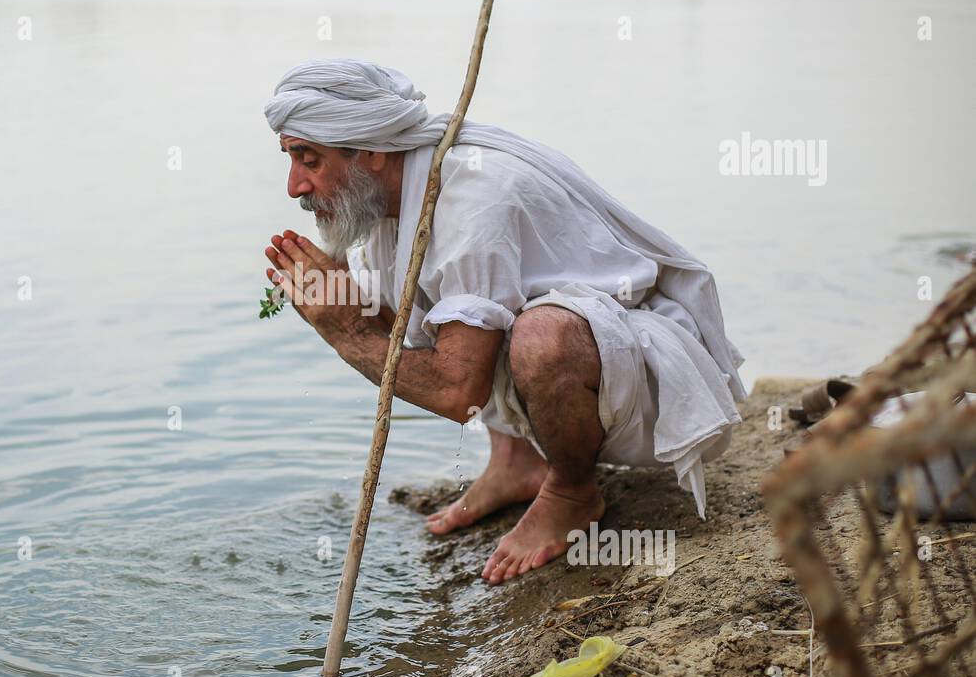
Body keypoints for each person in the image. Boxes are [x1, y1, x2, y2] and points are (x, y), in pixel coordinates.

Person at [262, 59, 744, 585]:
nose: (294, 186)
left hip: (649, 387)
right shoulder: (395, 190)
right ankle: (514, 463)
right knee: (472, 318)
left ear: (372, 150)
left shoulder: (472, 198)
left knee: (540, 337)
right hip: (587, 361)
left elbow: (454, 390)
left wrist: (344, 330)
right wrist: (346, 302)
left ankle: (571, 492)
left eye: (309, 160)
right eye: (290, 160)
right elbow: (410, 328)